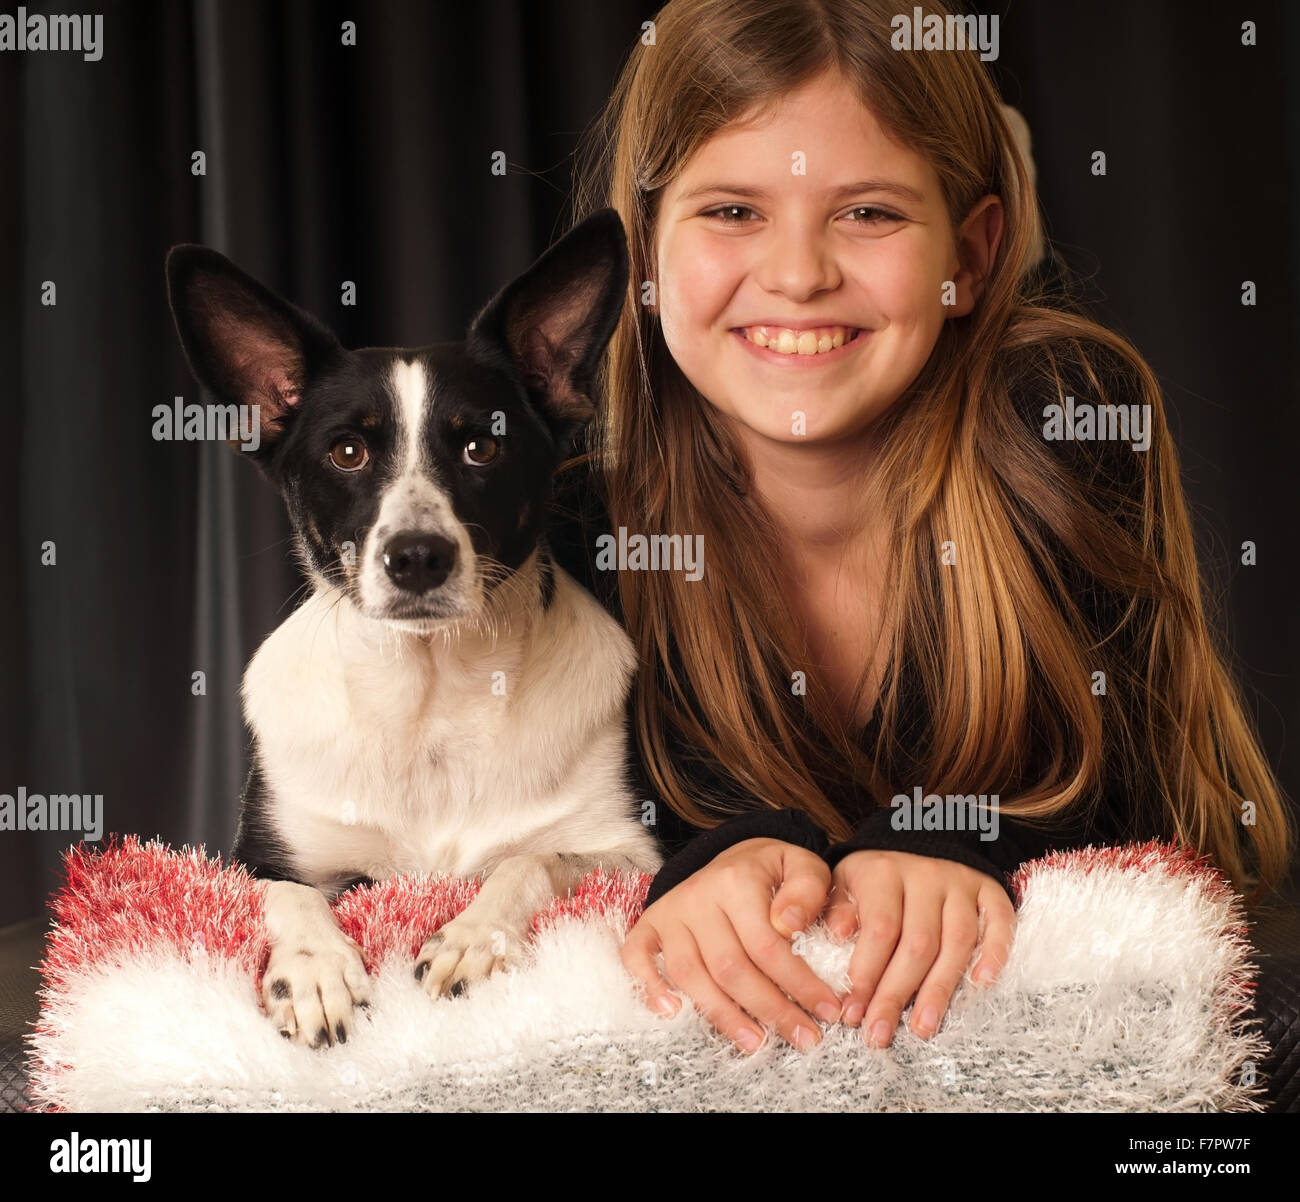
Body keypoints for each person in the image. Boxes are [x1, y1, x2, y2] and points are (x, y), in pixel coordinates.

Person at [546, 0, 1295, 1058]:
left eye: (868, 214)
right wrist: (716, 859)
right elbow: (554, 837)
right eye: (729, 212)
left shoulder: (1061, 426)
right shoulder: (572, 521)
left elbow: (1141, 810)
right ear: (643, 257)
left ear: (974, 255)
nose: (798, 273)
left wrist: (952, 835)